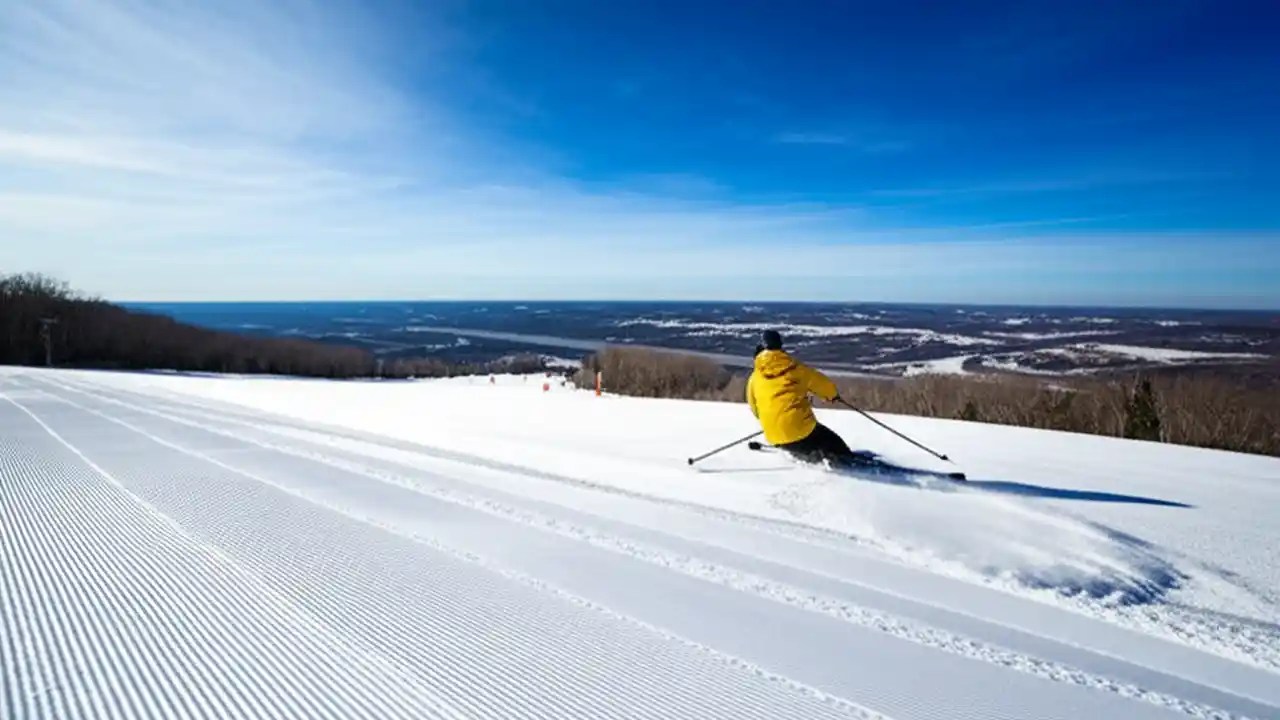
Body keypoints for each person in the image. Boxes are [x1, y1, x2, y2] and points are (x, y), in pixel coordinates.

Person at [747, 330, 858, 467]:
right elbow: (821, 384)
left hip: (773, 435)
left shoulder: (754, 378)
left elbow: (754, 408)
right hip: (801, 430)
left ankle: (803, 452)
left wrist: (772, 420)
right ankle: (847, 462)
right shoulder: (795, 368)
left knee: (799, 440)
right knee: (833, 443)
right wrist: (833, 395)